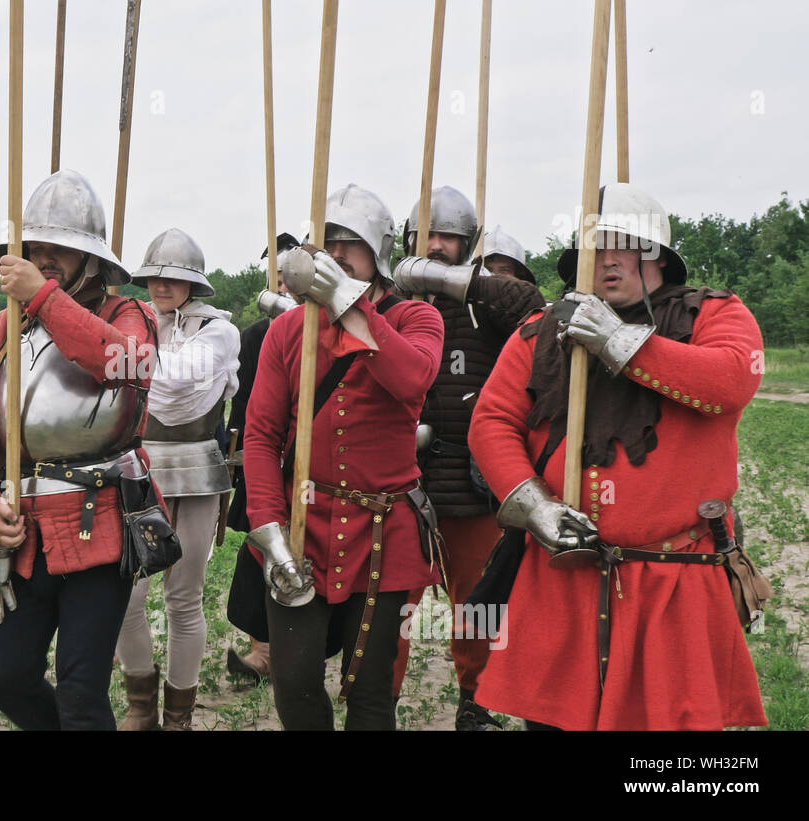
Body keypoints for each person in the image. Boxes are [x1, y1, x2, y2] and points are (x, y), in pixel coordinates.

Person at [468, 182, 767, 730]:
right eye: (595, 246)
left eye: (624, 243)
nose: (607, 258)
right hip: (564, 572)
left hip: (673, 579)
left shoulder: (714, 314)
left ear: (656, 255)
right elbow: (492, 422)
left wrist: (623, 343)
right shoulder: (541, 330)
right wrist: (534, 505)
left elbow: (730, 382)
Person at [0, 169, 159, 730]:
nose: (44, 258)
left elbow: (127, 366)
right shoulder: (0, 328)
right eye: (34, 248)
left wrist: (44, 296)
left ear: (90, 257)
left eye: (57, 249)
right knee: (7, 679)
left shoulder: (126, 315)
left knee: (82, 692)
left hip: (100, 525)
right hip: (20, 528)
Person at [242, 183, 444, 730]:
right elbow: (259, 436)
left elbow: (410, 380)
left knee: (371, 687)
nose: (334, 254)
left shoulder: (417, 320)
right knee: (296, 683)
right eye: (325, 244)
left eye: (348, 243)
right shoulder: (286, 330)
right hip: (304, 524)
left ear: (376, 254)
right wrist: (269, 528)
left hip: (386, 529)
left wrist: (348, 304)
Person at [391, 187, 547, 729]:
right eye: (427, 235)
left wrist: (446, 281)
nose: (436, 245)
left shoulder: (485, 304)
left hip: (470, 481)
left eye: (448, 237)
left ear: (467, 244)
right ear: (409, 238)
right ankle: (374, 705)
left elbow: (537, 311)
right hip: (399, 484)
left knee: (476, 606)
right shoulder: (390, 306)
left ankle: (474, 705)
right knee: (390, 608)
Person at [114, 228, 240, 730]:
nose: (160, 286)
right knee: (127, 597)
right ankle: (140, 704)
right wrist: (115, 337)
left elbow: (184, 375)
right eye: (153, 277)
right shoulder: (135, 322)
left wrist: (119, 348)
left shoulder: (220, 331)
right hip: (140, 467)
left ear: (193, 282)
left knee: (184, 597)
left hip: (196, 467)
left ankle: (178, 715)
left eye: (172, 277)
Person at [224, 267, 296, 682]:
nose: (285, 289)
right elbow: (245, 402)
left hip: (315, 467)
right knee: (258, 551)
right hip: (266, 456)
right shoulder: (255, 336)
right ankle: (262, 652)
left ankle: (295, 655)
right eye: (280, 283)